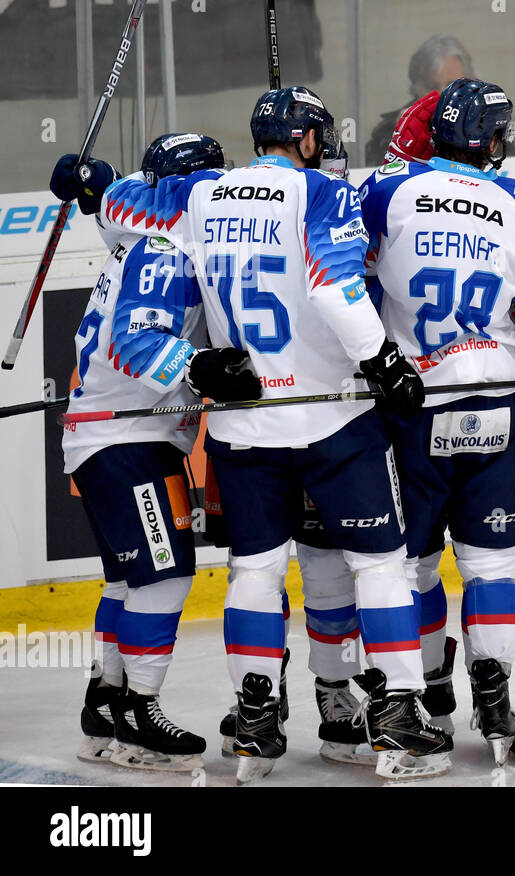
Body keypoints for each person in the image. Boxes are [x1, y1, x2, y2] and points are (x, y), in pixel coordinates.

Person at [70, 85, 452, 783]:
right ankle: (396, 713)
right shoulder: (322, 193)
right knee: (376, 565)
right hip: (331, 417)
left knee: (256, 570)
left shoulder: (203, 194)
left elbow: (131, 207)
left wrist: (96, 186)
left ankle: (253, 722)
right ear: (308, 138)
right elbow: (338, 289)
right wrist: (385, 360)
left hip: (243, 426)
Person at [357, 78, 515, 765]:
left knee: (413, 566)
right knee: (489, 565)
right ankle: (494, 698)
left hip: (414, 407)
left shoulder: (387, 192)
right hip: (498, 403)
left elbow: (343, 280)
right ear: (493, 141)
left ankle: (425, 694)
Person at [53, 132, 226, 772]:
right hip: (130, 436)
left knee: (128, 579)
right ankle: (137, 718)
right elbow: (136, 346)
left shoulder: (143, 230)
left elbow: (118, 202)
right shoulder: (168, 253)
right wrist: (206, 369)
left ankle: (104, 705)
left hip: (104, 435)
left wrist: (94, 185)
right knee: (166, 573)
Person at [365, 35, 515, 164]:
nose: (444, 96)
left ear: (472, 80)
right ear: (416, 87)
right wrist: (400, 142)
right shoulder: (390, 130)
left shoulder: (495, 121)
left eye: (453, 85)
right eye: (431, 85)